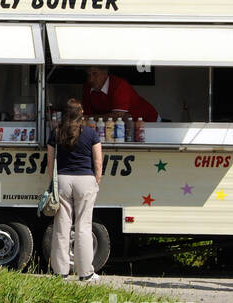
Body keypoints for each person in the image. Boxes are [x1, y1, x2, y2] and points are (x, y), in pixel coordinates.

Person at [46, 99, 103, 280]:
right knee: (83, 227)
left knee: (61, 227)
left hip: (63, 180)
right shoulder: (91, 134)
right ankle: (85, 273)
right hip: (85, 180)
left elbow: (49, 162)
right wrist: (96, 181)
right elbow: (98, 161)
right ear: (82, 113)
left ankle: (60, 272)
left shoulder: (56, 133)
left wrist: (53, 182)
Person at [81, 66, 159, 121]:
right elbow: (87, 116)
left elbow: (118, 116)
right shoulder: (87, 87)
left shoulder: (119, 85)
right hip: (123, 125)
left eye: (95, 74)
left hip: (149, 120)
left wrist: (93, 117)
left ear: (105, 73)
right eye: (88, 75)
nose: (90, 79)